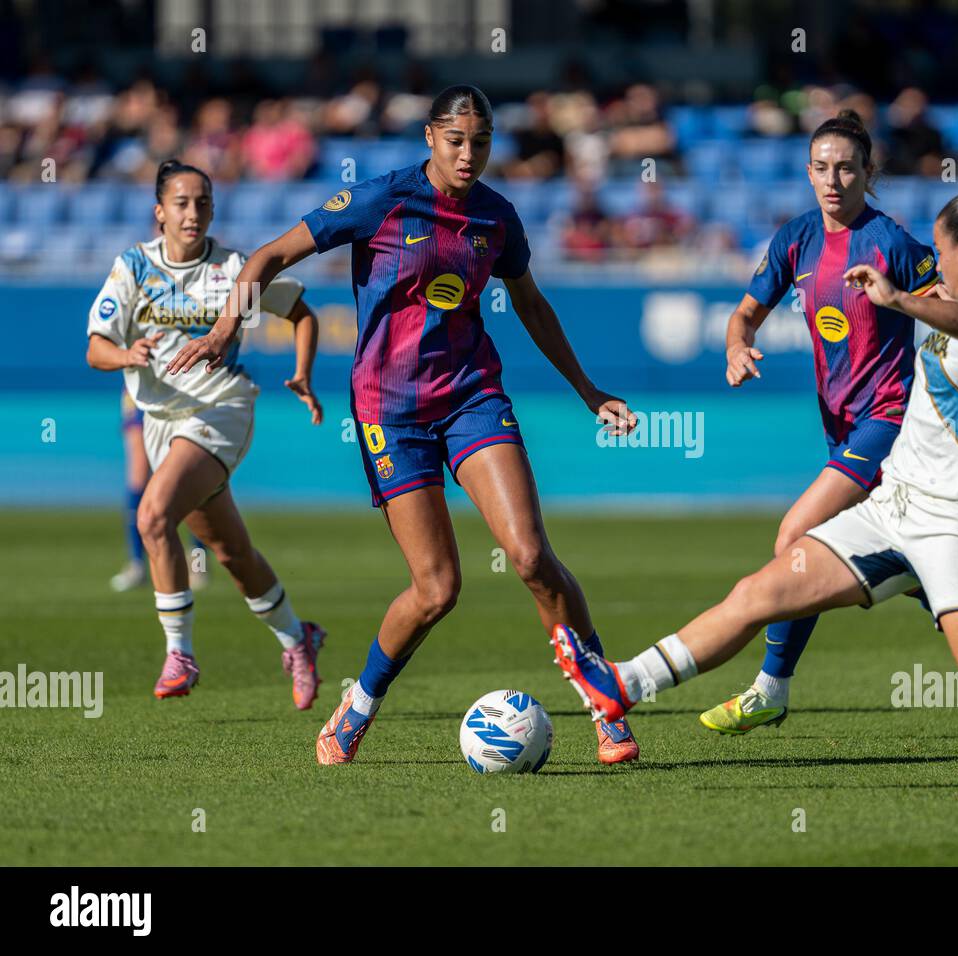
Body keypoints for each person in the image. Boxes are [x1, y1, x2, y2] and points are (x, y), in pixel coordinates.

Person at [551, 183, 958, 796]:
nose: (933, 265)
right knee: (756, 594)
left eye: (942, 253)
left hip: (957, 526)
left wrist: (901, 300)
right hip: (891, 507)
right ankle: (621, 684)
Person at [166, 85, 642, 767]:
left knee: (532, 556)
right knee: (437, 589)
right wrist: (223, 326)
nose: (469, 154)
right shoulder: (381, 198)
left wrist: (588, 391)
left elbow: (531, 305)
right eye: (456, 140)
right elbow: (268, 257)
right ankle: (357, 706)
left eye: (481, 141)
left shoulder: (497, 217)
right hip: (389, 411)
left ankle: (605, 702)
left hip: (472, 397)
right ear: (430, 138)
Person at [699, 109, 958, 735]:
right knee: (905, 561)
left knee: (794, 536)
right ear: (807, 172)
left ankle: (770, 687)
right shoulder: (796, 240)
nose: (833, 180)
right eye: (821, 168)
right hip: (840, 426)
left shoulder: (890, 241)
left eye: (846, 168)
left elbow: (954, 293)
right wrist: (736, 345)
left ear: (868, 172)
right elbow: (744, 315)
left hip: (888, 420)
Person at [87, 159, 327, 706]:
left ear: (213, 210)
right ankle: (299, 637)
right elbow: (96, 348)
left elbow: (303, 314)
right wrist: (127, 353)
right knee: (230, 550)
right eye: (181, 202)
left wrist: (303, 375)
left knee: (153, 515)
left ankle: (180, 654)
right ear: (159, 212)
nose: (192, 212)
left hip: (222, 408)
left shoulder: (234, 269)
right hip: (161, 422)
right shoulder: (132, 268)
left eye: (202, 203)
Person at [110, 388, 209, 593]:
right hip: (141, 387)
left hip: (179, 386)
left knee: (187, 475)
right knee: (138, 474)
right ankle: (137, 564)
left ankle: (198, 563)